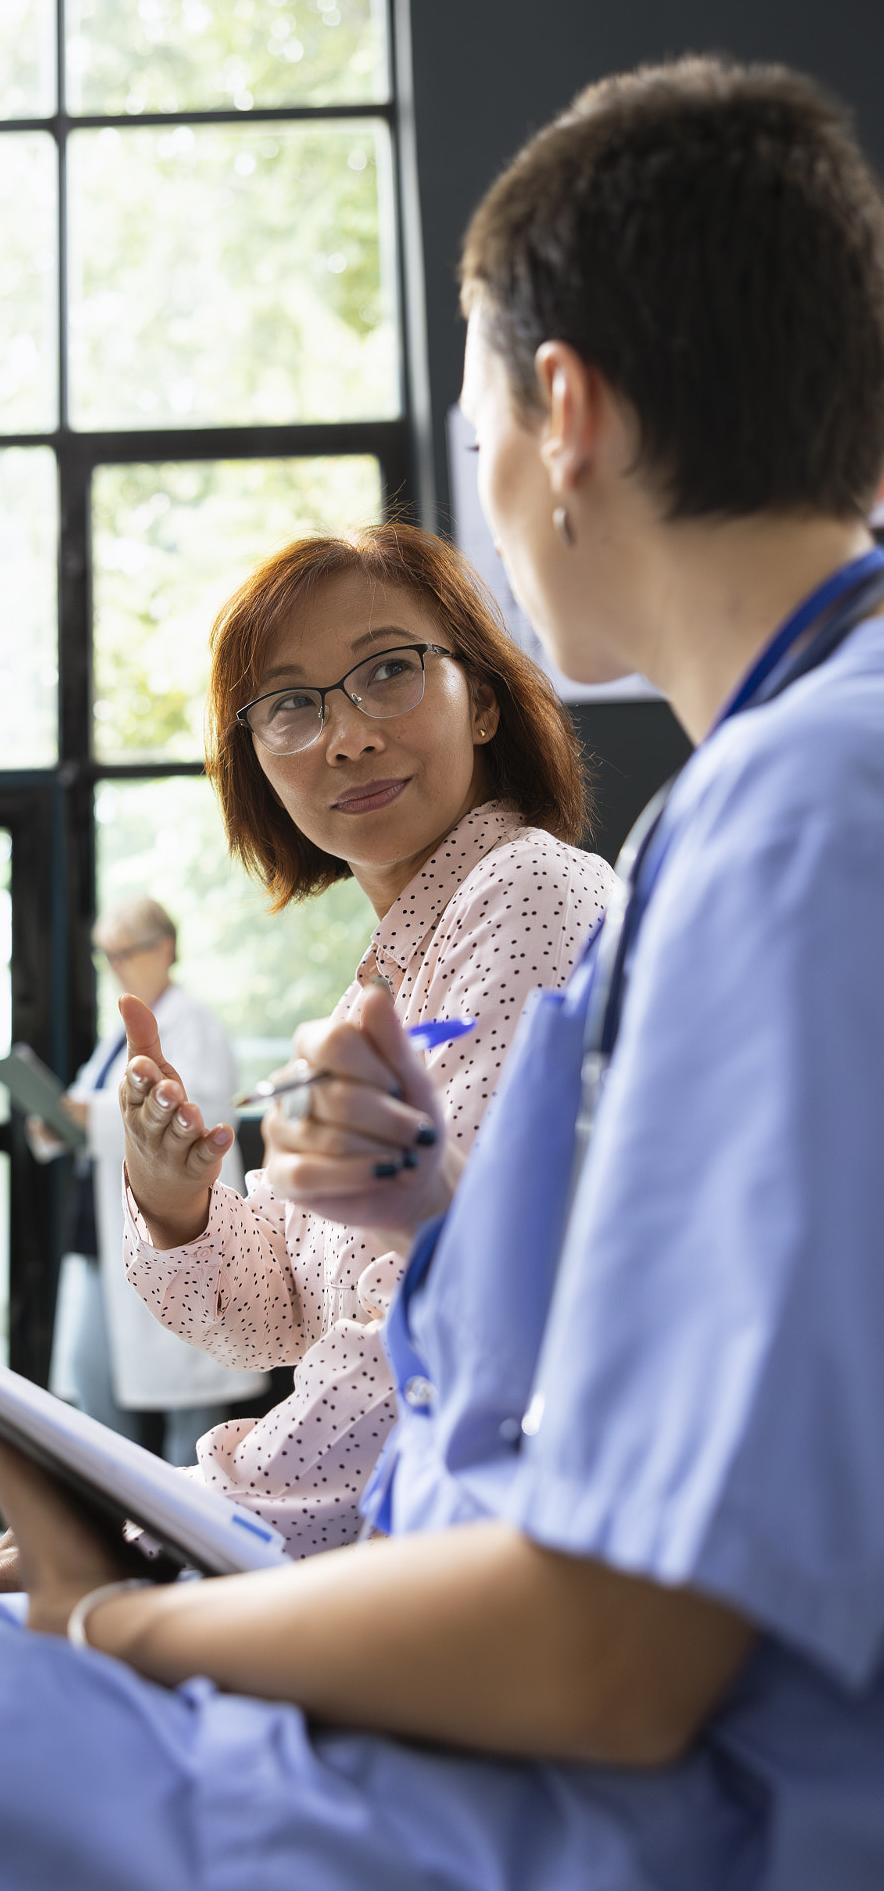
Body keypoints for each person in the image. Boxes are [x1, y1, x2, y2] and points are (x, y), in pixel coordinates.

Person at [0, 54, 883, 1891]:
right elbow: (520, 1359)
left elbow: (619, 1638)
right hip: (385, 1622)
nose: (341, 735)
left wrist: (127, 1624)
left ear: (559, 411)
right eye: (291, 708)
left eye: (472, 421)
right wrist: (350, 1212)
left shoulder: (788, 824)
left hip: (506, 1768)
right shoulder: (764, 805)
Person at [115, 522, 613, 1553]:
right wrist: (176, 1203)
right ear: (254, 755)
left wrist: (180, 1525)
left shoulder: (527, 888)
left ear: (479, 699)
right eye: (290, 704)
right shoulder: (364, 996)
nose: (344, 737)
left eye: (387, 670)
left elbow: (437, 1318)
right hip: (411, 1530)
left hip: (505, 1546)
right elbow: (280, 1312)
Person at [39, 895, 265, 1466]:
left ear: (163, 948)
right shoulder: (116, 1037)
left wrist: (90, 1117)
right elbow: (97, 1111)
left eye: (125, 953)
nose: (115, 968)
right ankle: (115, 1535)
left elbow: (201, 1117)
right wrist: (59, 1119)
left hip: (168, 1228)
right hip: (103, 1228)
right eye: (106, 957)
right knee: (96, 1385)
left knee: (190, 1413)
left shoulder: (194, 1024)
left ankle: (185, 1547)